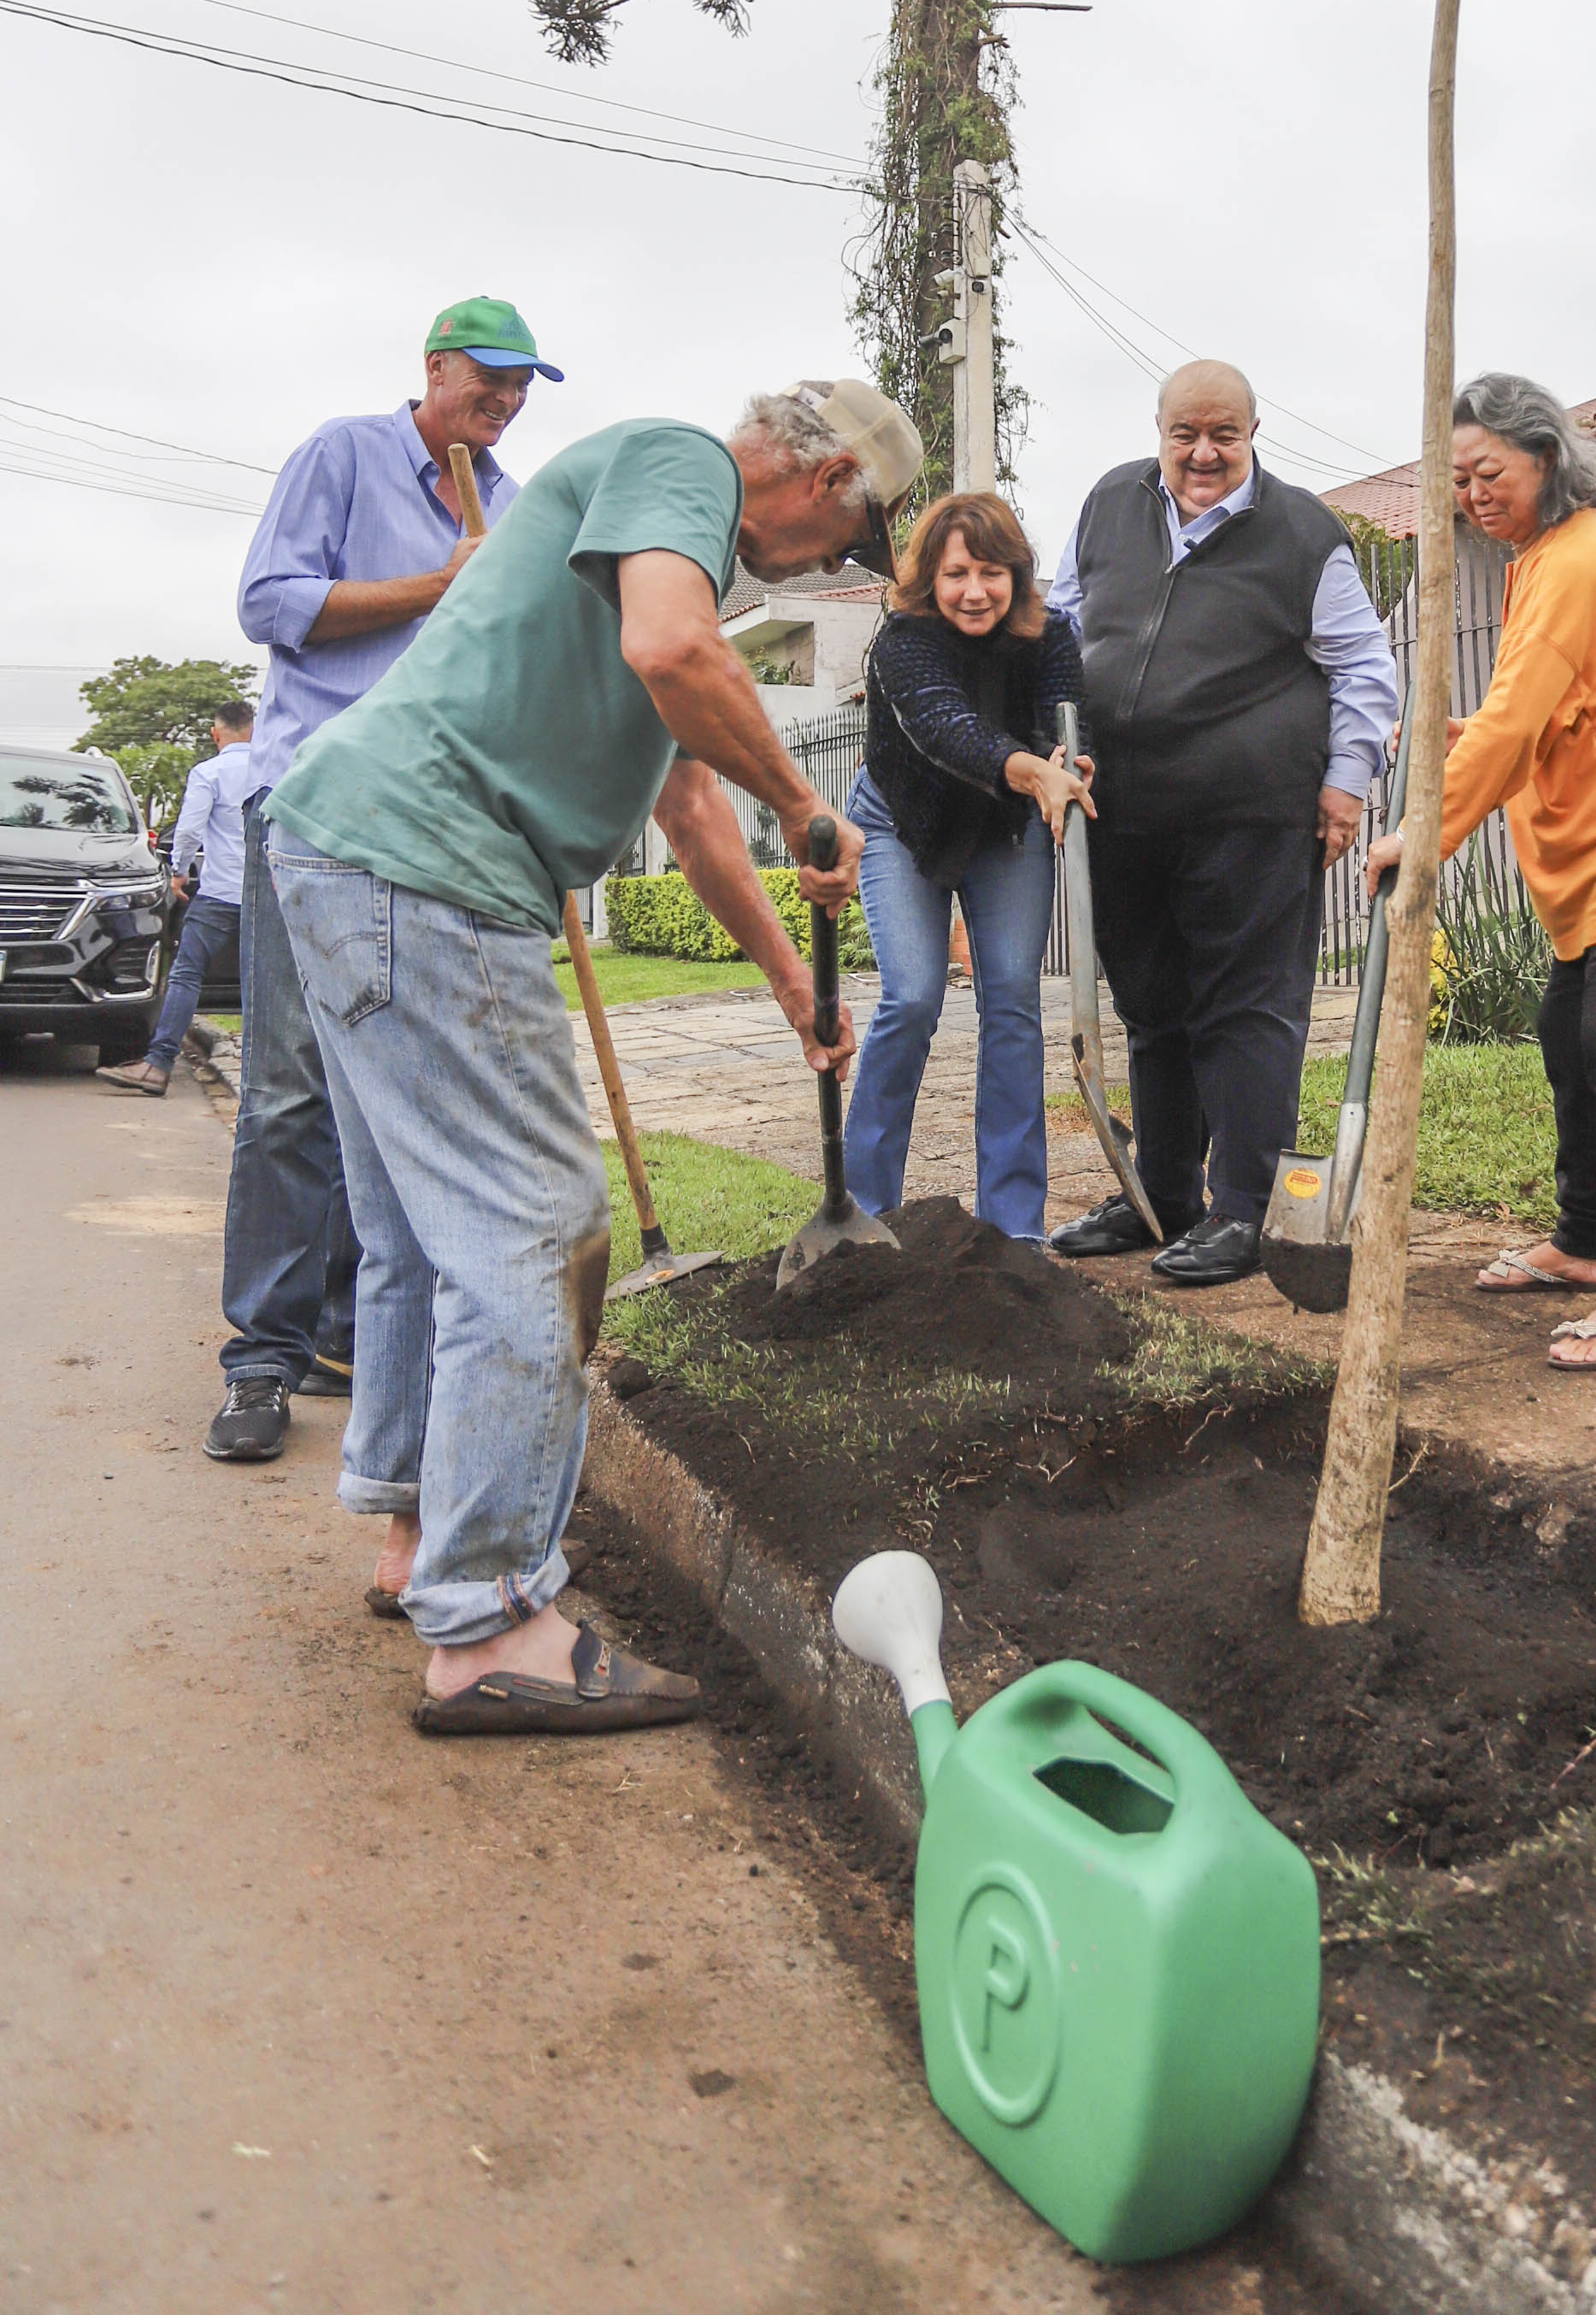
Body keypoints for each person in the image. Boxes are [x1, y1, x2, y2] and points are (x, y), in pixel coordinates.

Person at [262, 378, 922, 1735]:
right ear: (827, 473)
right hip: (427, 874)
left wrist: (794, 979)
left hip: (347, 852)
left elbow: (684, 797)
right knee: (539, 1231)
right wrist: (808, 802)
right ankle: (492, 1618)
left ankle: (411, 1537)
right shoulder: (681, 465)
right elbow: (679, 658)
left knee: (415, 1232)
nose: (823, 563)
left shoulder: (648, 549)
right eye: (847, 537)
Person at [206, 297, 556, 1471]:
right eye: (487, 379)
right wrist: (433, 584)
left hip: (430, 826)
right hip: (309, 802)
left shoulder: (509, 507)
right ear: (435, 366)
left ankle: (349, 1331)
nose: (502, 403)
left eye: (521, 387)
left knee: (393, 1093)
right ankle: (261, 1351)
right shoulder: (344, 453)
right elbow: (270, 603)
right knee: (293, 1083)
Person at [1368, 374, 1596, 1374]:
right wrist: (1457, 733)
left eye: (1487, 472)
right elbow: (1543, 709)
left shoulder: (1573, 561)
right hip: (1588, 854)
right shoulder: (1542, 560)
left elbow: (1519, 724)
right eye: (1458, 480)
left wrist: (1420, 837)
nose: (1472, 494)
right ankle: (1586, 1244)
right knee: (1571, 1039)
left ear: (1545, 459)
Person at [1044, 361, 1398, 1288]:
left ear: (1252, 434)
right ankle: (1162, 1200)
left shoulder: (1301, 531)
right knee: (1151, 1009)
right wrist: (1049, 745)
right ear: (1158, 430)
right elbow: (1060, 626)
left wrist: (1346, 782)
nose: (1203, 454)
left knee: (1245, 1011)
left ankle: (1244, 1209)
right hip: (1125, 810)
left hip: (1253, 812)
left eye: (1223, 436)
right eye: (1184, 435)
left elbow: (1363, 664)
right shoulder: (1106, 505)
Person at [841, 492, 1092, 1242]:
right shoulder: (902, 644)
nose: (974, 590)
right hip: (903, 825)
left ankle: (1013, 1227)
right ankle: (860, 1211)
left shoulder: (1051, 635)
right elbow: (949, 731)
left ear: (1016, 574)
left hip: (1003, 829)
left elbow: (1065, 717)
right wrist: (1031, 769)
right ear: (930, 578)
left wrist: (1067, 760)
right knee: (913, 995)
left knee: (1013, 996)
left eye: (991, 572)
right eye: (956, 573)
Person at [100, 699, 255, 1096]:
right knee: (267, 983)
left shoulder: (209, 772)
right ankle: (268, 1074)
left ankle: (157, 1066)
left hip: (219, 893)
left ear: (215, 733)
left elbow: (188, 832)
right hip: (269, 897)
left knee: (186, 975)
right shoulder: (276, 767)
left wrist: (179, 872)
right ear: (253, 730)